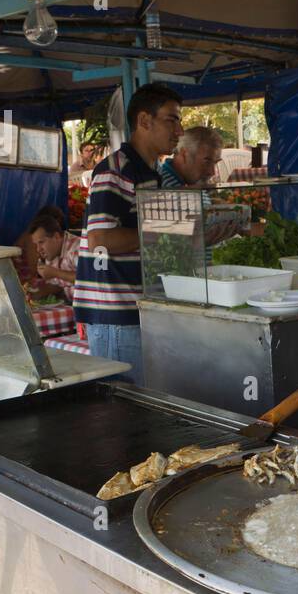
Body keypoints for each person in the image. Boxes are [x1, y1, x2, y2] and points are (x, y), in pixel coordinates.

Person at [72, 83, 182, 384]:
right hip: (116, 314)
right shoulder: (115, 170)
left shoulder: (152, 173)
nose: (179, 130)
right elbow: (100, 241)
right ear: (145, 121)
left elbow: (153, 236)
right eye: (171, 119)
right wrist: (171, 229)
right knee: (124, 411)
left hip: (139, 308)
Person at [28, 213, 80, 300]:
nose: (38, 249)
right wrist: (36, 292)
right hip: (69, 306)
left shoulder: (77, 248)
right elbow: (59, 285)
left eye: (41, 242)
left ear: (56, 236)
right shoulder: (51, 254)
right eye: (36, 244)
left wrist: (55, 273)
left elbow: (88, 278)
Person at [158, 126, 224, 188]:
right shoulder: (169, 190)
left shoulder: (167, 178)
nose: (212, 172)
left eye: (215, 163)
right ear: (184, 154)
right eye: (207, 162)